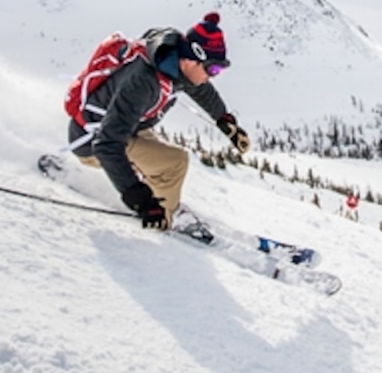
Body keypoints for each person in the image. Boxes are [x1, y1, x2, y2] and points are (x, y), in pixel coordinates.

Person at [64, 12, 250, 231]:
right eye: (213, 69)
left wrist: (225, 121)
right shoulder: (143, 82)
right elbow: (107, 145)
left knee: (158, 154)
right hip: (91, 141)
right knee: (174, 162)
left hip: (116, 127)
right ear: (192, 58)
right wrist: (142, 202)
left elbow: (200, 89)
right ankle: (165, 219)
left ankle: (161, 198)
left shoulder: (171, 59)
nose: (213, 75)